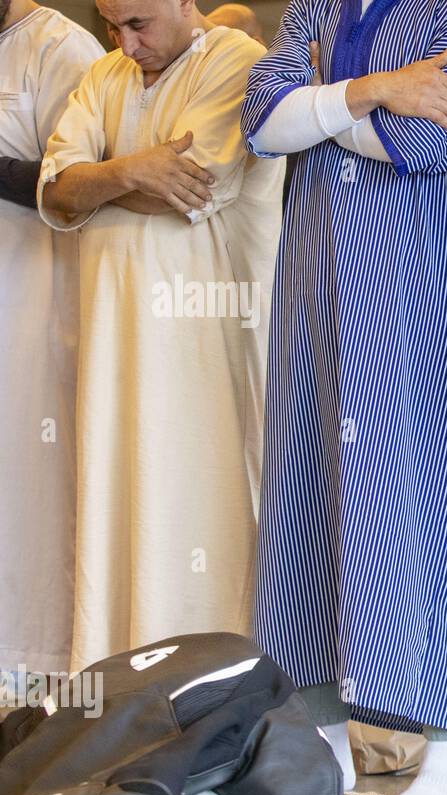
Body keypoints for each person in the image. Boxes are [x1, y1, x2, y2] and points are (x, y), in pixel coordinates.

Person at [242, 0, 447, 795]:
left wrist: (321, 99)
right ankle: (325, 743)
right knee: (303, 490)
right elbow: (258, 123)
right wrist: (378, 89)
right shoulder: (311, 4)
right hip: (313, 279)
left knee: (425, 496)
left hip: (411, 280)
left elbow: (429, 143)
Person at [37, 0, 282, 670]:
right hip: (114, 347)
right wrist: (128, 171)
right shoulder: (107, 74)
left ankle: (218, 702)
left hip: (207, 347)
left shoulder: (239, 62)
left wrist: (100, 178)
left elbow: (191, 185)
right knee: (121, 503)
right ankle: (122, 702)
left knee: (204, 504)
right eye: (111, 25)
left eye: (138, 23)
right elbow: (56, 191)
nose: (124, 41)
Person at [0, 0, 103, 677]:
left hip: (31, 317)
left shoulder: (60, 50)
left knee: (27, 501)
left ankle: (32, 684)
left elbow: (78, 186)